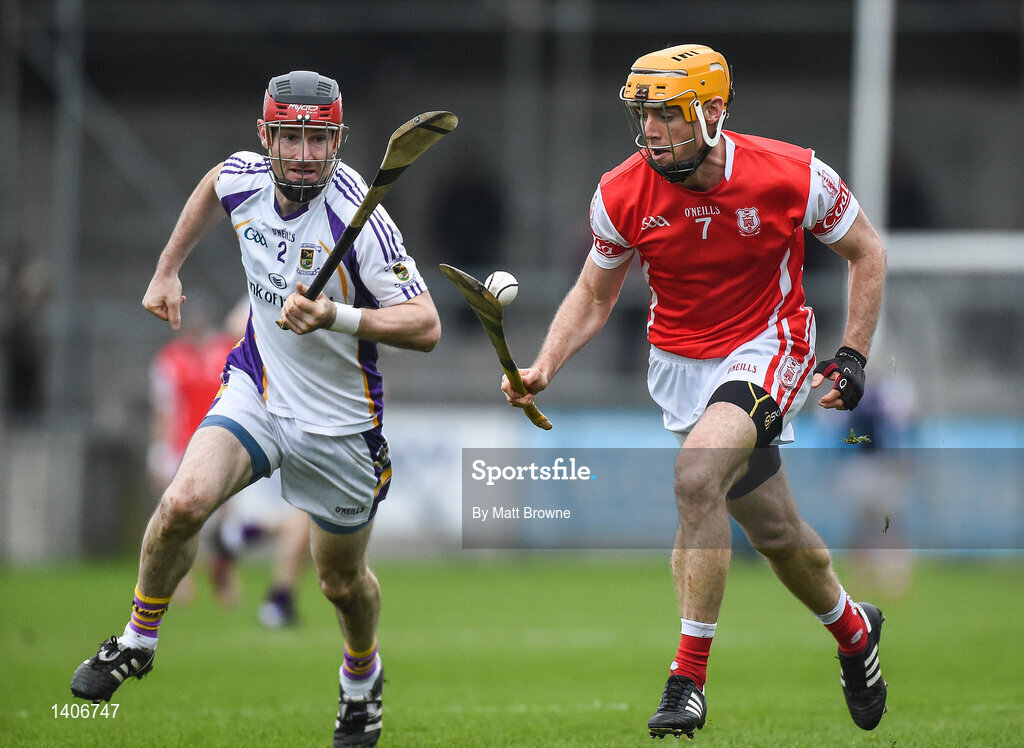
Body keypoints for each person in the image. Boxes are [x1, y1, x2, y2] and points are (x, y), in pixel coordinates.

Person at [502, 44, 888, 738]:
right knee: (773, 531)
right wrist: (545, 364)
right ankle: (855, 629)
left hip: (771, 345)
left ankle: (687, 681)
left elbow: (867, 251)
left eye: (667, 115)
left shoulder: (792, 175)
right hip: (680, 365)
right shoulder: (621, 190)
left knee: (694, 476)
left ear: (712, 112)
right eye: (642, 115)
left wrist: (854, 354)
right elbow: (594, 294)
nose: (650, 130)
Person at [71, 70, 441, 748]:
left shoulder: (362, 220)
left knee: (340, 583)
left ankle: (362, 676)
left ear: (339, 141)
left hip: (341, 426)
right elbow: (214, 183)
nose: (304, 154)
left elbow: (426, 325)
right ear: (266, 135)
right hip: (258, 388)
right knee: (182, 504)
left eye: (319, 140)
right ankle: (137, 639)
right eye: (291, 137)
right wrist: (167, 268)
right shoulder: (244, 177)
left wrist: (335, 315)